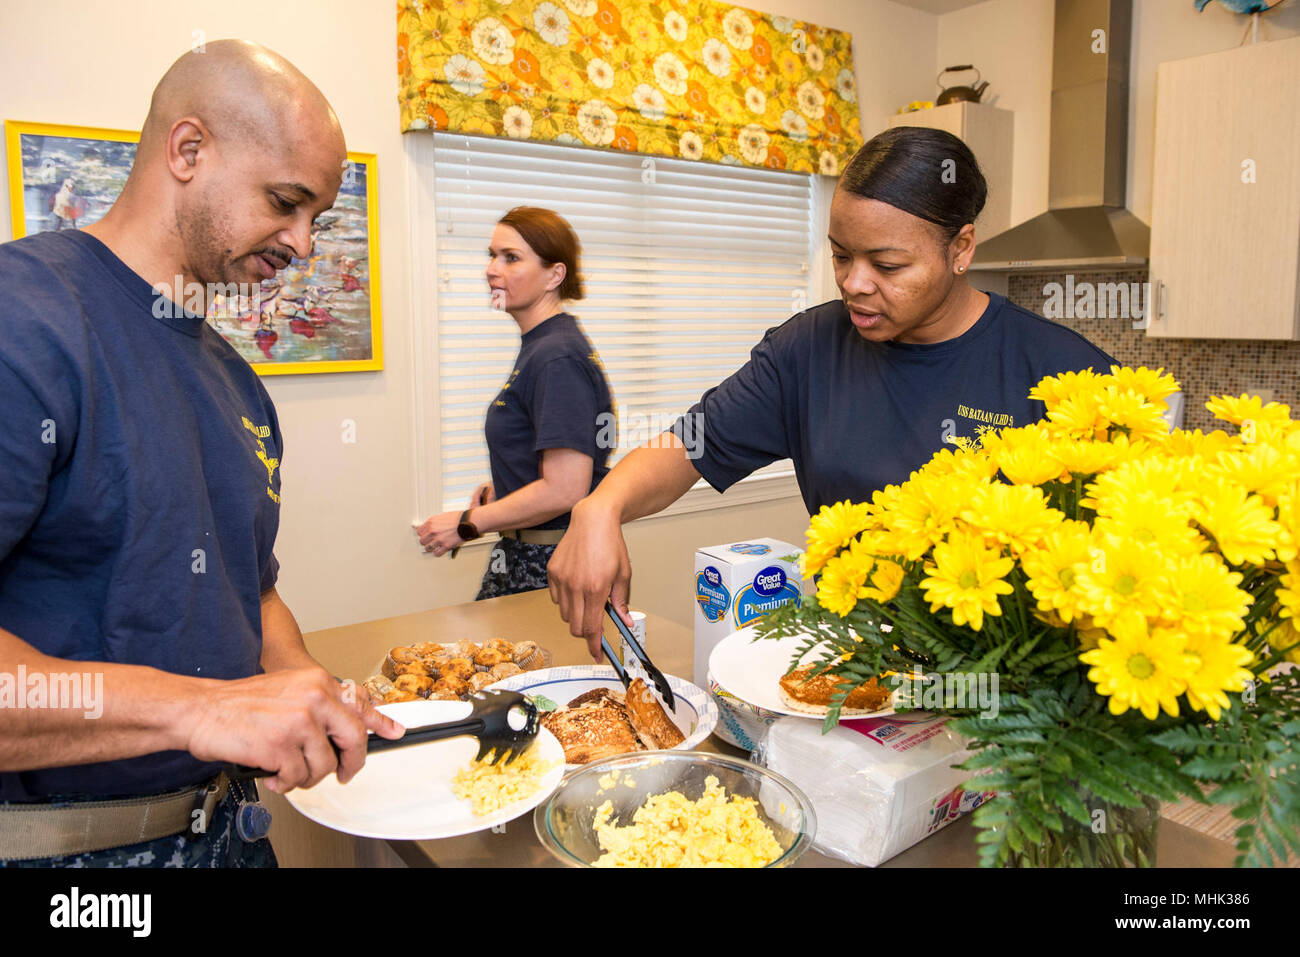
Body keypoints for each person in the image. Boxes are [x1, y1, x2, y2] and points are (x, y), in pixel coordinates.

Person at [0, 40, 403, 868]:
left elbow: (249, 591)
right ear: (188, 151)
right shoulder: (26, 320)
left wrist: (305, 688)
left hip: (229, 835)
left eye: (317, 219)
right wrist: (203, 710)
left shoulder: (236, 382)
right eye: (285, 202)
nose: (302, 245)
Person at [548, 127, 1117, 658]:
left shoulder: (1067, 376)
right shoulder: (809, 350)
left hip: (1007, 695)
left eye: (888, 264)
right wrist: (601, 506)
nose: (854, 282)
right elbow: (693, 442)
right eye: (842, 255)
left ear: (961, 249)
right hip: (855, 670)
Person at [416, 207, 614, 600]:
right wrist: (507, 483)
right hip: (525, 552)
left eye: (511, 258)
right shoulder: (543, 345)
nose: (492, 269)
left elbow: (566, 489)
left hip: (549, 560)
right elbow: (551, 457)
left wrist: (468, 522)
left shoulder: (556, 356)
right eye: (491, 255)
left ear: (554, 275)